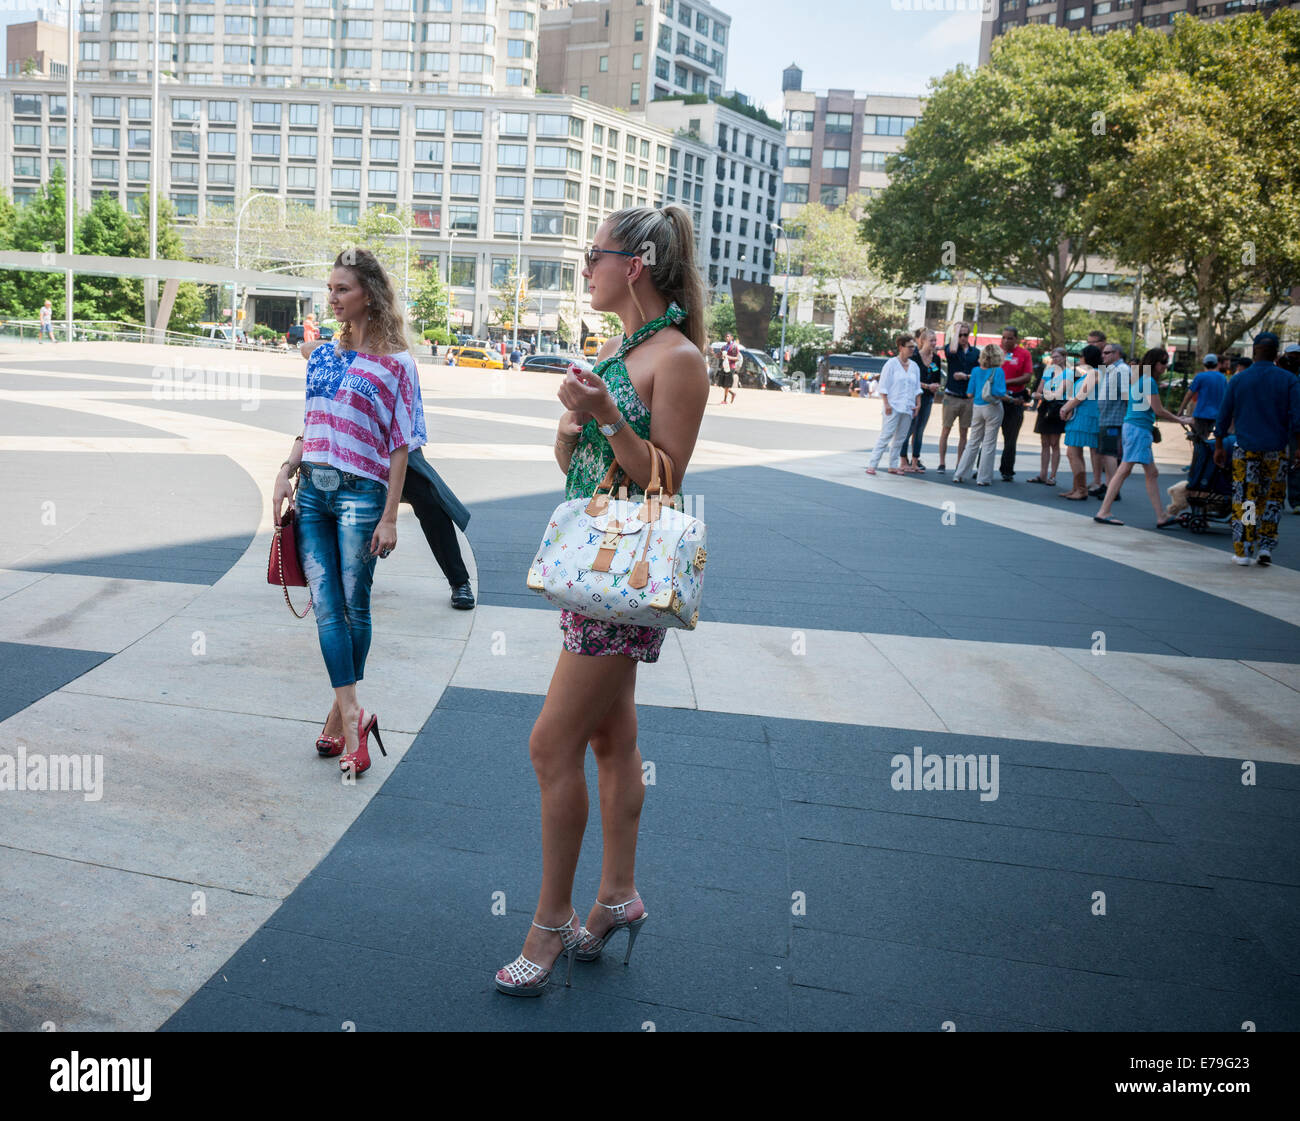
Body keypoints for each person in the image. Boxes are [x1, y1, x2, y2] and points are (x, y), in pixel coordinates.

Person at [495, 205, 710, 997]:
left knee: (551, 744)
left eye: (595, 254)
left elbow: (666, 477)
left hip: (623, 582)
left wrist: (608, 415)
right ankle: (616, 894)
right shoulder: (624, 347)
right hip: (599, 567)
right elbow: (591, 464)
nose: (585, 266)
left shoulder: (678, 359)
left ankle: (549, 922)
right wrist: (571, 429)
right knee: (611, 740)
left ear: (638, 263)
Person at [273, 248, 425, 775]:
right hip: (313, 490)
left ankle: (343, 717)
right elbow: (315, 423)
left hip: (363, 496)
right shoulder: (320, 357)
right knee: (327, 609)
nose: (332, 298)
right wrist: (286, 470)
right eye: (330, 288)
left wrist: (390, 516)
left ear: (370, 296)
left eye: (343, 289)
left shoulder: (397, 364)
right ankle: (354, 715)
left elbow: (402, 445)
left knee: (354, 610)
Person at [1214, 332, 1300, 566]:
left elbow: (1223, 415)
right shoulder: (1289, 380)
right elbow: (1297, 418)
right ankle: (1266, 545)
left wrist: (1219, 445)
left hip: (1245, 450)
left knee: (1247, 499)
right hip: (1277, 450)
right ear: (1276, 354)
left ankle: (1244, 549)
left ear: (1253, 351)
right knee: (1272, 499)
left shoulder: (1239, 380)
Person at [1093, 348, 1191, 528]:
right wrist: (1182, 419)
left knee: (1150, 473)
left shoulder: (1139, 378)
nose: (1165, 367)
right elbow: (1158, 410)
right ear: (1154, 363)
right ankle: (1104, 511)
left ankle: (1161, 515)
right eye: (1163, 363)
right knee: (1124, 470)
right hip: (1139, 429)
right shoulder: (1148, 381)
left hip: (1135, 427)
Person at [952, 344, 1010, 486]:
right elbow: (999, 392)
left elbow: (969, 393)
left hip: (977, 406)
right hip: (993, 407)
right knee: (989, 443)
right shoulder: (999, 371)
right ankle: (983, 477)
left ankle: (959, 474)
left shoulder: (976, 371)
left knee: (973, 442)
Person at [865, 335, 920, 476]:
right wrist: (886, 404)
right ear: (901, 347)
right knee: (886, 435)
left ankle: (893, 465)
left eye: (914, 347)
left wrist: (918, 404)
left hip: (908, 406)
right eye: (910, 347)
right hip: (893, 405)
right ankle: (872, 464)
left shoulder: (914, 366)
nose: (912, 349)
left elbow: (917, 387)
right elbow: (883, 386)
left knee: (900, 438)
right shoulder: (891, 364)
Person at [1058, 345, 1104, 500]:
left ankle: (1081, 489)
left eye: (1081, 356)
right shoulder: (1091, 374)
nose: (1079, 359)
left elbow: (1081, 395)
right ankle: (1077, 487)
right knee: (1074, 453)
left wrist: (1065, 408)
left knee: (1073, 453)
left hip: (1085, 416)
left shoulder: (1095, 373)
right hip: (1080, 415)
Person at [938, 324, 978, 473]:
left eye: (965, 335)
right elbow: (953, 350)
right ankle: (942, 463)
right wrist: (955, 330)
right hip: (951, 395)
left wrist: (966, 376)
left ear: (969, 336)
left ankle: (959, 464)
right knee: (946, 429)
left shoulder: (975, 353)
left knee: (964, 432)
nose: (962, 338)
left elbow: (980, 373)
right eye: (959, 335)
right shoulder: (951, 348)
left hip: (968, 398)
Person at [1093, 343, 1130, 498]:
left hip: (1114, 419)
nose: (1104, 355)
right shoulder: (1112, 370)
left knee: (1110, 454)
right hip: (1107, 417)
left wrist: (1127, 418)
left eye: (1107, 353)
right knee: (1105, 453)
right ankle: (1108, 485)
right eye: (1103, 353)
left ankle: (1113, 490)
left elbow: (1127, 395)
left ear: (1117, 354)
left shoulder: (1121, 369)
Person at [904, 328, 943, 473]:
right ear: (923, 341)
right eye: (931, 340)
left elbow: (937, 378)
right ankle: (903, 460)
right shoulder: (914, 358)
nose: (934, 343)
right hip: (914, 398)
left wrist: (935, 386)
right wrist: (927, 385)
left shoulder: (937, 359)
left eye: (935, 340)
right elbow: (911, 380)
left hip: (928, 398)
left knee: (920, 430)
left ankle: (915, 461)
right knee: (909, 429)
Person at [998, 326, 1034, 480]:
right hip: (995, 399)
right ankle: (982, 468)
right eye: (1004, 337)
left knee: (1011, 438)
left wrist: (1005, 382)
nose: (1006, 341)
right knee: (987, 436)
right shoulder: (995, 351)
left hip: (1015, 400)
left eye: (1010, 338)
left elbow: (1027, 377)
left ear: (1016, 339)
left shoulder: (1024, 354)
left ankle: (1007, 471)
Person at [1028, 347, 1068, 484]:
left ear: (1064, 357)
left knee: (1054, 443)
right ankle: (1043, 474)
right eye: (1053, 357)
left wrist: (1046, 394)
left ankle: (1053, 476)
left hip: (1057, 408)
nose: (1054, 360)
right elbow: (1038, 391)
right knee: (1044, 442)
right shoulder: (1049, 370)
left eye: (1057, 357)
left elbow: (1059, 392)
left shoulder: (1068, 372)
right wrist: (1045, 395)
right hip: (1045, 408)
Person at [1179, 353, 1227, 441]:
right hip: (1217, 415)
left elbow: (1189, 394)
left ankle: (1200, 454)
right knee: (1213, 438)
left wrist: (1181, 409)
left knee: (1199, 440)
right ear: (1216, 364)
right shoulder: (1222, 378)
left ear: (1204, 364)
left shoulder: (1200, 377)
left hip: (1201, 414)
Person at [717, 332, 739, 405]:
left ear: (731, 337)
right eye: (726, 337)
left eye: (728, 336)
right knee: (721, 383)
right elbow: (718, 356)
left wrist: (728, 357)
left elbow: (737, 358)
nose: (727, 338)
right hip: (724, 366)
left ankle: (725, 400)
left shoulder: (734, 347)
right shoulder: (724, 347)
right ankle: (732, 393)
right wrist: (717, 354)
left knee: (726, 384)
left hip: (731, 367)